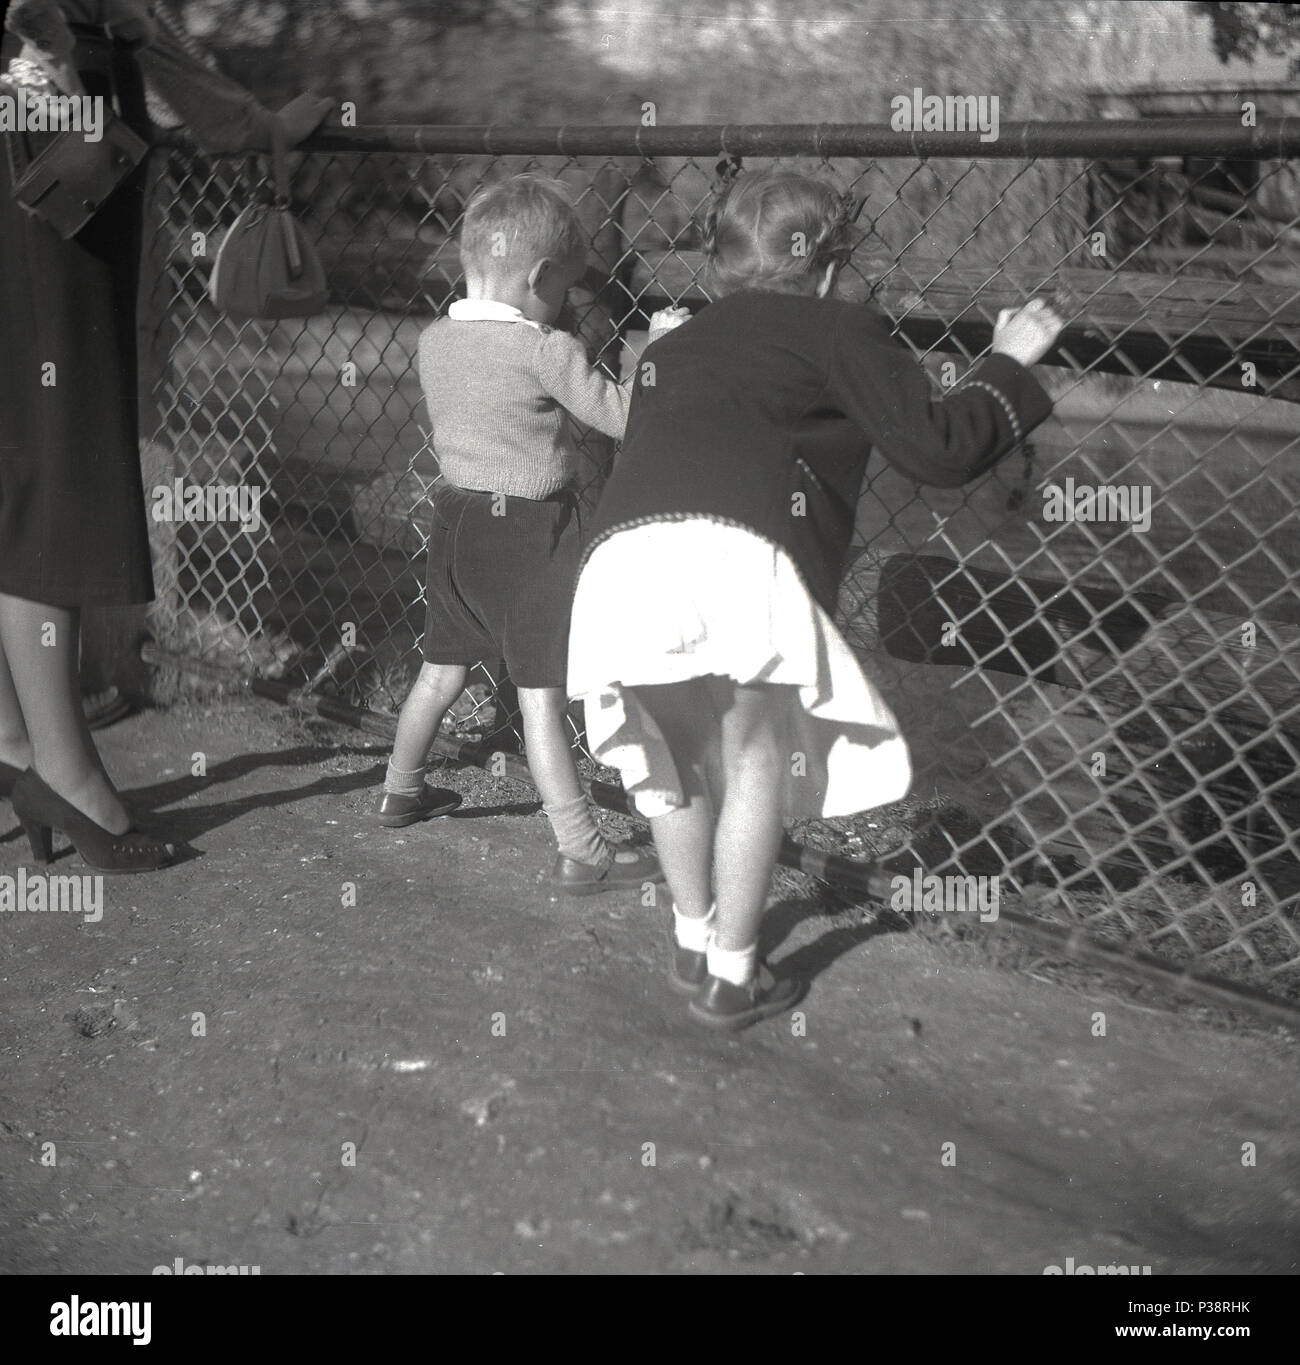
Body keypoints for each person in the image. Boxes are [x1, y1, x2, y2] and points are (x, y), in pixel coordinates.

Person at [567, 169, 1065, 1028]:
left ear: (721, 270)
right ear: (832, 269)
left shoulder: (675, 346)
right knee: (754, 751)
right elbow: (938, 447)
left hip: (625, 560)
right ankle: (733, 973)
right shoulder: (838, 327)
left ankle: (693, 938)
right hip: (738, 554)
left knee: (673, 758)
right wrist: (1007, 365)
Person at [0, 0, 330, 870]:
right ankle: (64, 772)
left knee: (24, 458)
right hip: (46, 135)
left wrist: (248, 122)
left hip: (63, 131)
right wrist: (55, 53)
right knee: (56, 461)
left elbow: (142, 28)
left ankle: (14, 743)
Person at [374, 174, 684, 896]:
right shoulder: (544, 350)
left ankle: (398, 789)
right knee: (541, 696)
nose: (567, 306)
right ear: (540, 277)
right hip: (530, 533)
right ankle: (582, 849)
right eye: (565, 290)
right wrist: (658, 351)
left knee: (440, 671)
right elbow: (623, 415)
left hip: (454, 521)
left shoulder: (435, 342)